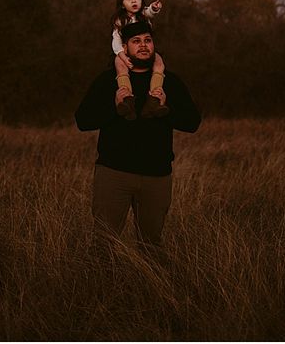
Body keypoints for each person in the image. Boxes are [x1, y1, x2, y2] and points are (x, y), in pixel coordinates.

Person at [76, 21, 201, 246]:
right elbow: (82, 121)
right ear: (124, 47)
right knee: (104, 242)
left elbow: (193, 123)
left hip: (156, 176)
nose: (143, 46)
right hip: (114, 173)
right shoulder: (108, 80)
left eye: (147, 40)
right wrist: (113, 108)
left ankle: (145, 281)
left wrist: (166, 109)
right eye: (136, 41)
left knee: (151, 244)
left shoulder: (170, 82)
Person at [109, 0, 169, 119]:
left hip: (147, 54)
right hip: (123, 52)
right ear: (122, 5)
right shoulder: (120, 20)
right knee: (119, 64)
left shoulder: (143, 14)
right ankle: (126, 99)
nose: (134, 1)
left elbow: (150, 12)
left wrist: (154, 7)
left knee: (159, 63)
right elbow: (116, 42)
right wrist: (123, 57)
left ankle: (154, 98)